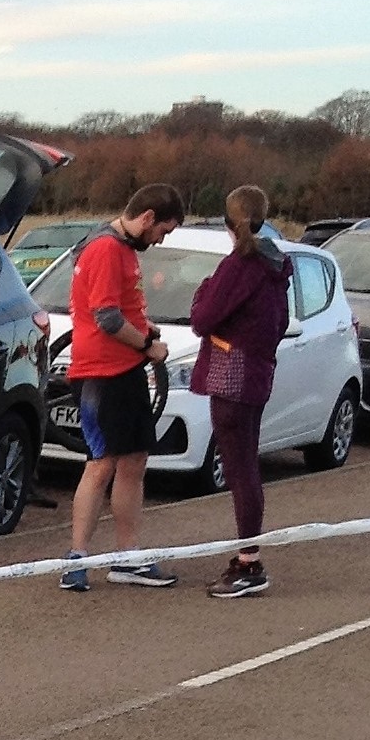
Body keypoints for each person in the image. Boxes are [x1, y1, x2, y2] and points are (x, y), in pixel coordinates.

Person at [58, 183, 186, 591]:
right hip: (103, 372)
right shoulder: (108, 249)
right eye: (162, 231)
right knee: (102, 464)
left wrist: (144, 331)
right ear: (147, 217)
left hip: (121, 370)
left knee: (132, 462)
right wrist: (149, 345)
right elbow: (107, 318)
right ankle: (77, 558)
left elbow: (120, 310)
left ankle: (125, 556)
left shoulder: (120, 248)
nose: (160, 239)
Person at [188, 185, 292, 597]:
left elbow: (202, 319)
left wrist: (200, 293)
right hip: (258, 375)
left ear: (228, 222)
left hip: (231, 375)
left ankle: (249, 563)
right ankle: (248, 555)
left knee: (240, 470)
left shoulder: (238, 266)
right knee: (246, 466)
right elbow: (278, 325)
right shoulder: (275, 265)